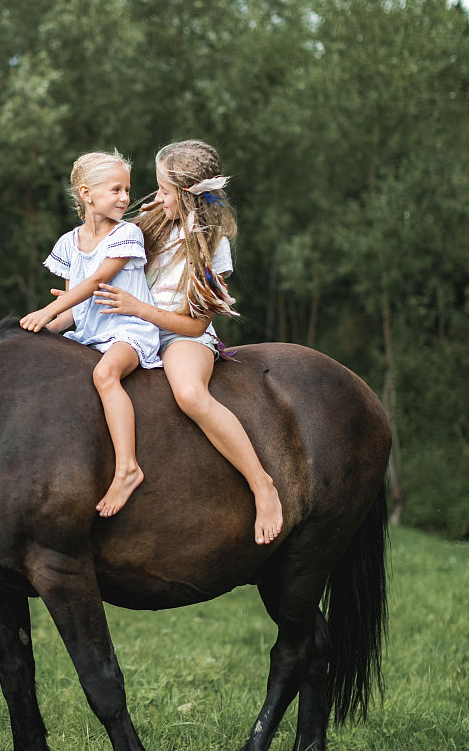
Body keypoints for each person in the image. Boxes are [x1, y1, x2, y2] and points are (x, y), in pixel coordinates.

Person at [94, 139, 283, 545]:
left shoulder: (215, 248)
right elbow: (108, 256)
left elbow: (195, 326)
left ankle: (262, 484)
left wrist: (136, 308)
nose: (156, 197)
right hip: (132, 326)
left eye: (164, 190)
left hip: (181, 336)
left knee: (190, 395)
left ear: (186, 195)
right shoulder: (152, 223)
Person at [20, 150, 162, 518]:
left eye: (127, 190)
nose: (125, 198)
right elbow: (72, 310)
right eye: (116, 189)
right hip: (89, 335)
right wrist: (40, 328)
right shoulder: (68, 243)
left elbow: (98, 280)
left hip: (129, 331)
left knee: (105, 374)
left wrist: (48, 309)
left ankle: (128, 467)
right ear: (87, 194)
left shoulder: (126, 234)